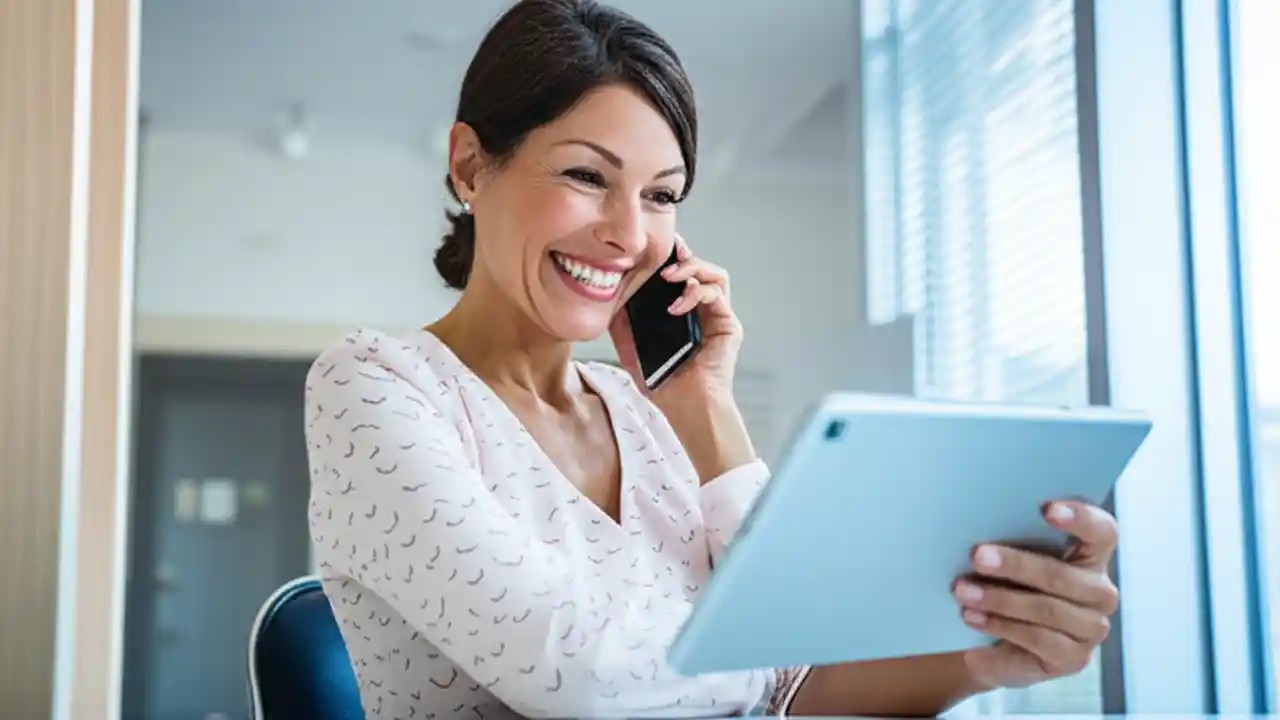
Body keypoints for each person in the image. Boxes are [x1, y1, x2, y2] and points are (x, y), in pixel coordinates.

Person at [303, 1, 1122, 717]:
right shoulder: (376, 386)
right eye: (588, 176)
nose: (630, 234)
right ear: (470, 165)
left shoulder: (648, 413)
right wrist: (775, 660)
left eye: (662, 194)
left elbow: (800, 682)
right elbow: (581, 677)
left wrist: (986, 651)